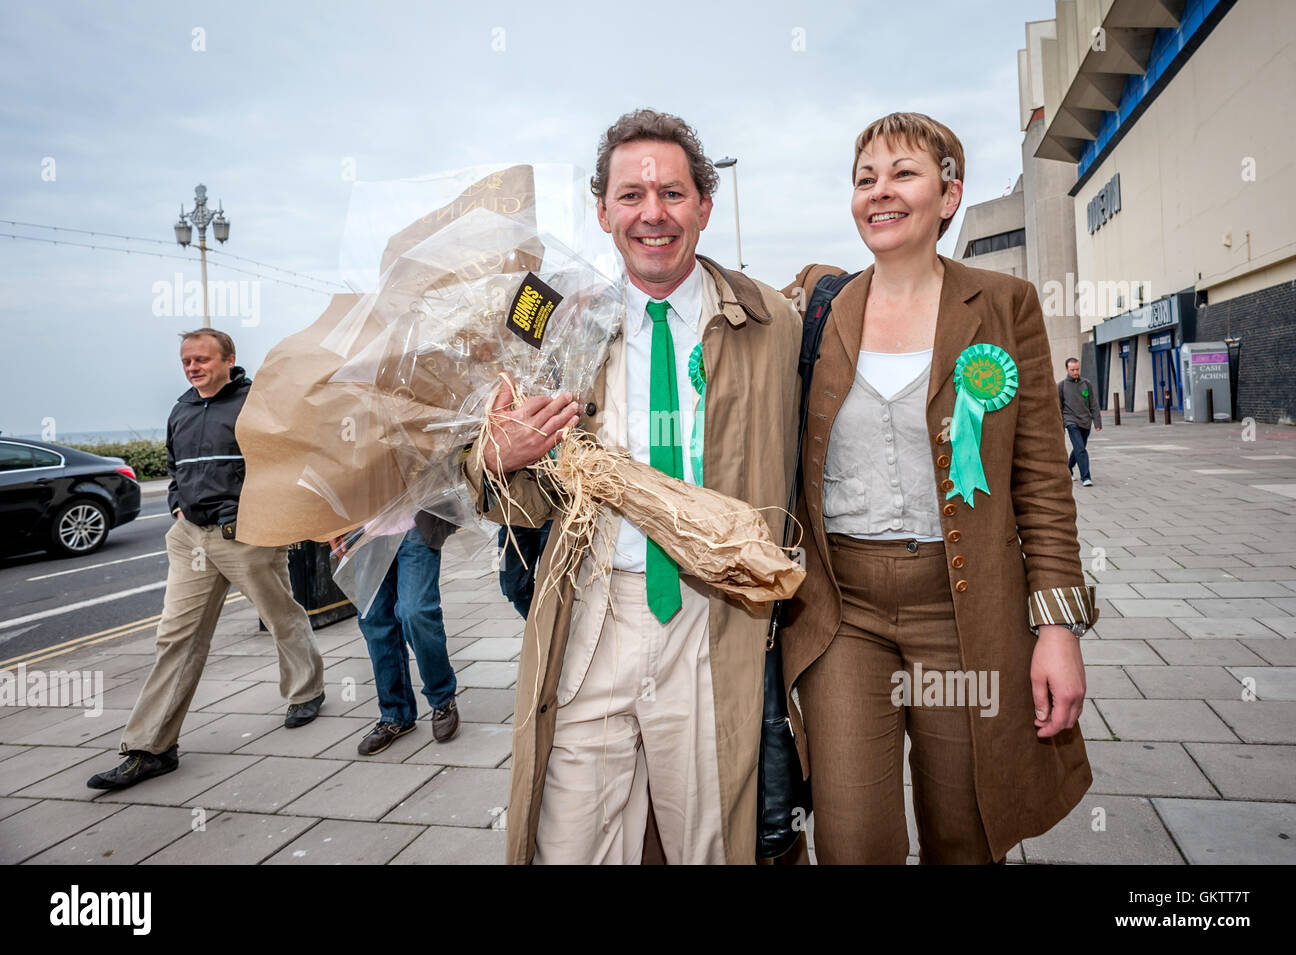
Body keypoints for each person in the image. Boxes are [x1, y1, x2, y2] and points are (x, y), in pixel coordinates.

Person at [463, 109, 801, 864]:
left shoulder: (767, 320)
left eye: (674, 193)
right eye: (631, 195)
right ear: (603, 210)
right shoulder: (558, 320)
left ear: (704, 208)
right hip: (595, 613)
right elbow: (505, 489)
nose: (654, 212)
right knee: (572, 843)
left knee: (708, 842)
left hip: (711, 618)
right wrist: (499, 457)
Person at [780, 113, 1097, 864]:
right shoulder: (820, 313)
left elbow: (1044, 484)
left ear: (949, 194)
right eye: (864, 180)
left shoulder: (1004, 302)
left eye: (902, 173)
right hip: (843, 614)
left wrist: (1057, 627)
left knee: (965, 830)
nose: (879, 192)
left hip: (964, 612)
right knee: (853, 839)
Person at [88, 329, 327, 791]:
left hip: (248, 537)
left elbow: (287, 461)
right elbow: (174, 464)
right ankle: (150, 748)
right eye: (186, 361)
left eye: (201, 359)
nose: (192, 367)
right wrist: (177, 502)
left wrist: (255, 511)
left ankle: (306, 691)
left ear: (229, 359)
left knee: (281, 617)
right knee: (175, 638)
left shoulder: (255, 403)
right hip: (189, 539)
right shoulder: (180, 408)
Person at [330, 511, 461, 754]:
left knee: (416, 611)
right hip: (365, 531)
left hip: (414, 523)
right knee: (374, 619)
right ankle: (395, 715)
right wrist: (334, 526)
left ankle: (442, 699)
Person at [1059, 357, 1102, 486]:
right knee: (1081, 449)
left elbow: (1093, 404)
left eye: (1077, 369)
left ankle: (1068, 468)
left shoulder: (1086, 384)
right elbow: (1059, 407)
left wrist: (1097, 422)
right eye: (1072, 370)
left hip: (1085, 421)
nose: (1075, 372)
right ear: (1067, 369)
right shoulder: (1061, 386)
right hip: (1070, 421)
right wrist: (1061, 426)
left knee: (1079, 448)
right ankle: (1086, 477)